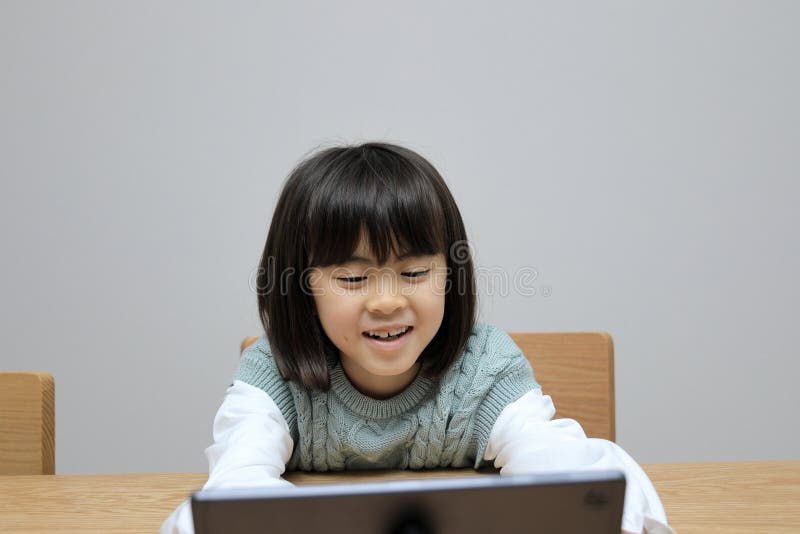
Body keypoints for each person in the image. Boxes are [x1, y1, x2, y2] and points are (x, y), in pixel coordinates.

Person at [162, 142, 674, 534]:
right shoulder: (274, 374)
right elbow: (234, 491)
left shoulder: (482, 367)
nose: (386, 301)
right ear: (303, 286)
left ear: (450, 274)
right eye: (353, 279)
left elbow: (563, 475)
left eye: (413, 273)